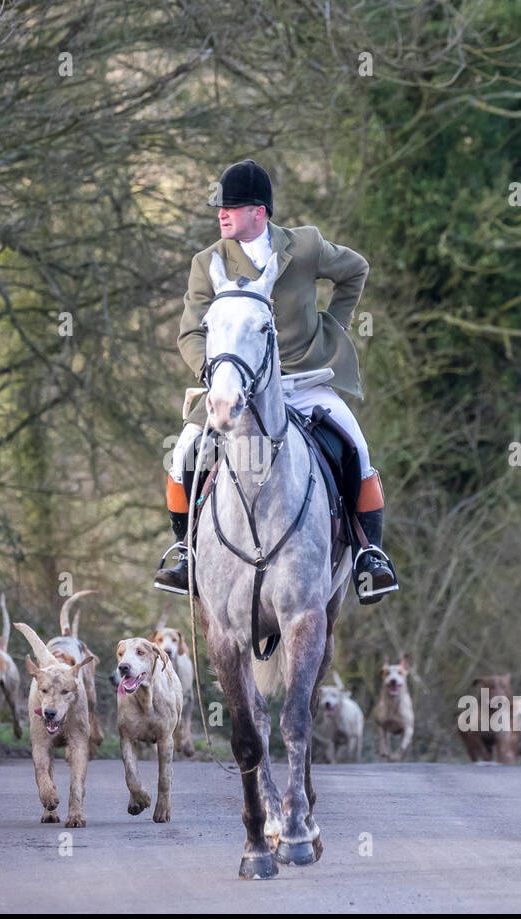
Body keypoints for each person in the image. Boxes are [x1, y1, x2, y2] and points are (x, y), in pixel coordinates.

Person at [153, 159, 399, 604]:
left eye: (232, 207)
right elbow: (190, 333)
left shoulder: (303, 247)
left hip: (305, 382)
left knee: (358, 450)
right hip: (237, 389)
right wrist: (216, 373)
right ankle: (185, 552)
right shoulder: (208, 263)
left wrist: (333, 327)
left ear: (260, 212)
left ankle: (370, 555)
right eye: (220, 209)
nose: (221, 215)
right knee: (185, 451)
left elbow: (355, 269)